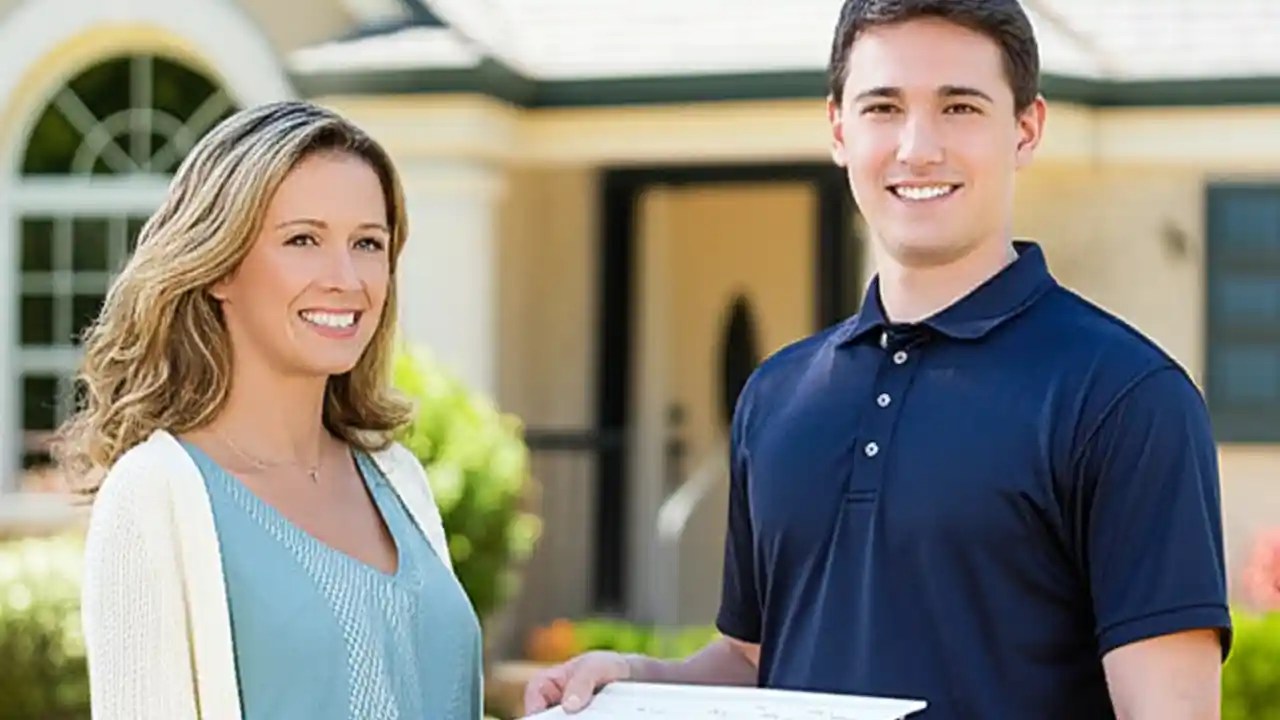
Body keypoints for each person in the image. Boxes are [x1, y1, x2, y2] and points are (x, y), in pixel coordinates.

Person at [523, 1, 1232, 718]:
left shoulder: (1125, 396)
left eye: (959, 107)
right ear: (839, 128)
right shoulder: (776, 396)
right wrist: (629, 676)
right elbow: (754, 661)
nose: (917, 147)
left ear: (1026, 128)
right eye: (883, 107)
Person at [60, 100, 483, 720]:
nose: (346, 277)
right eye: (303, 240)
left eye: (368, 243)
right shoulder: (155, 496)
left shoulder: (398, 479)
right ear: (219, 268)